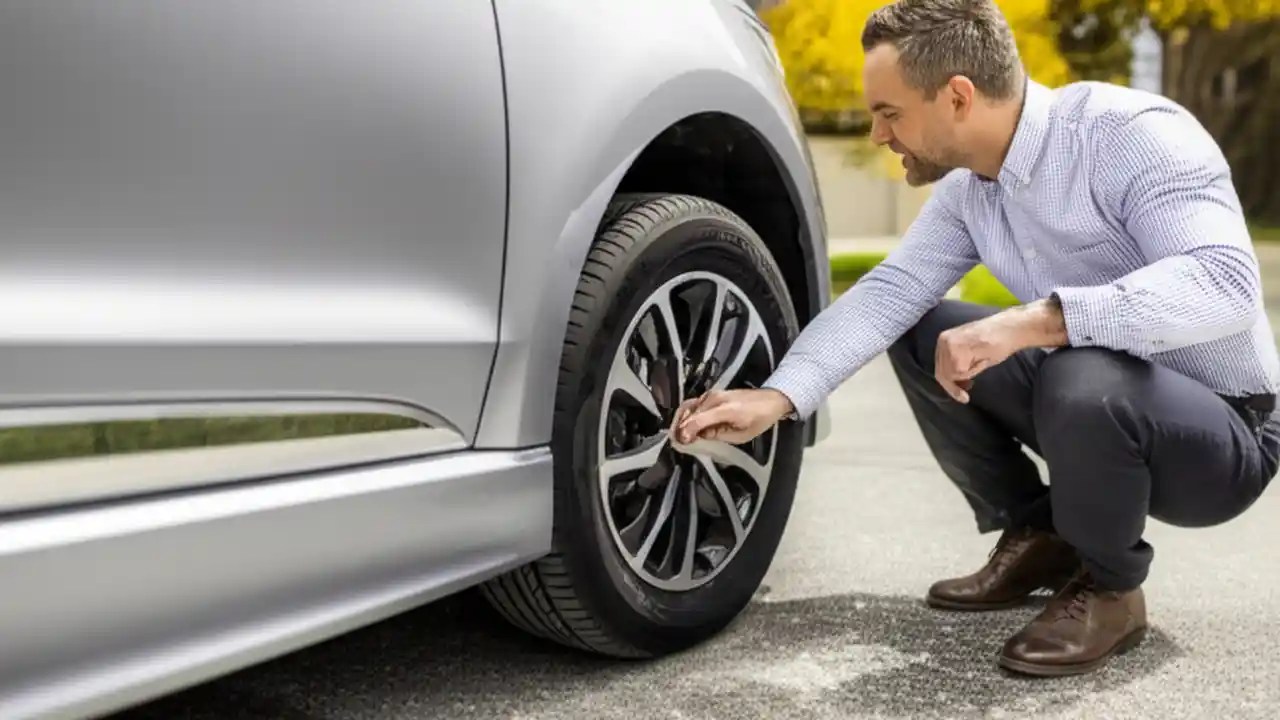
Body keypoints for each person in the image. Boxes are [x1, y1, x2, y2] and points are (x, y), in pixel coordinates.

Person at [672, 0, 1280, 677]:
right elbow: (887, 295)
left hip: (1227, 433)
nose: (877, 134)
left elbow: (1225, 286)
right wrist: (779, 396)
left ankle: (1112, 589)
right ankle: (1044, 534)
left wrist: (1038, 320)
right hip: (1091, 399)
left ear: (957, 96)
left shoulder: (1133, 136)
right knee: (922, 331)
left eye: (890, 112)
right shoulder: (973, 191)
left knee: (1079, 372)